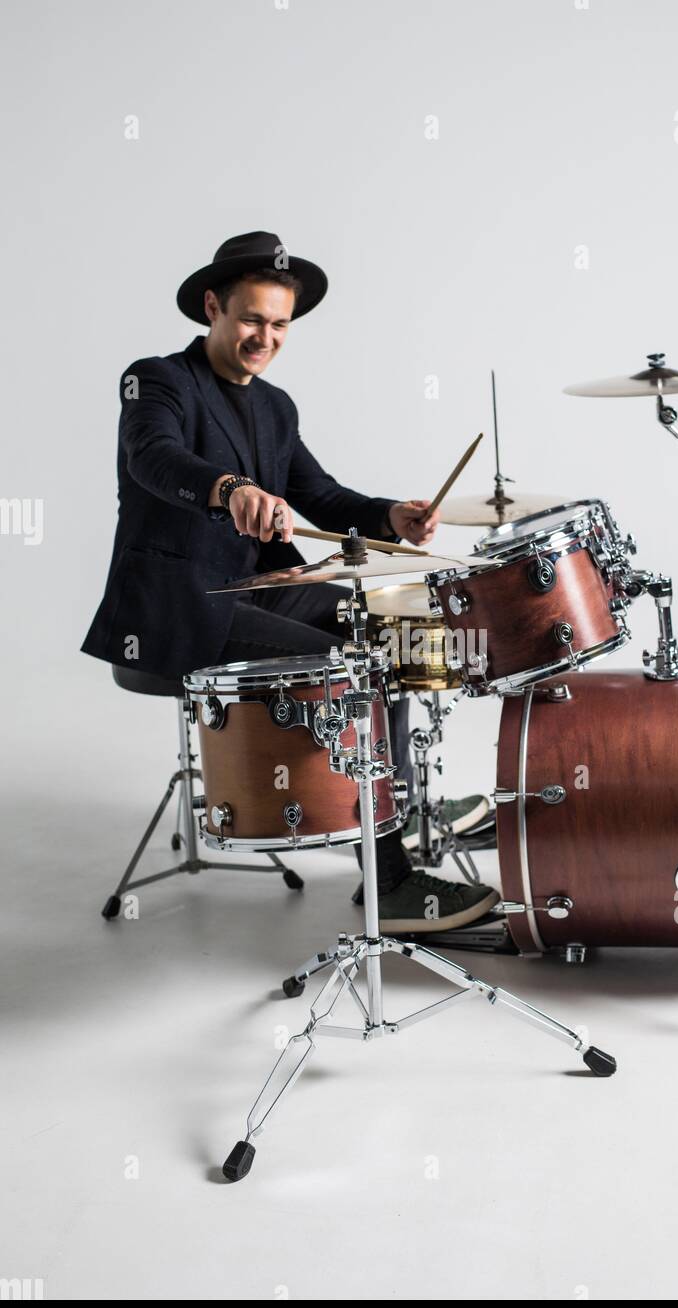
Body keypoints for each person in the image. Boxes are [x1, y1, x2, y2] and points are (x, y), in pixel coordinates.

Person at [81, 230, 498, 931]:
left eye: (279, 325)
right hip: (177, 607)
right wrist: (227, 488)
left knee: (388, 641)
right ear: (212, 306)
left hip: (253, 587)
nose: (264, 337)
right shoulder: (156, 380)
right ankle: (390, 877)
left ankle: (401, 812)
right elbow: (153, 457)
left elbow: (323, 495)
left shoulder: (275, 406)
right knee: (352, 670)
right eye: (250, 319)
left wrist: (390, 514)